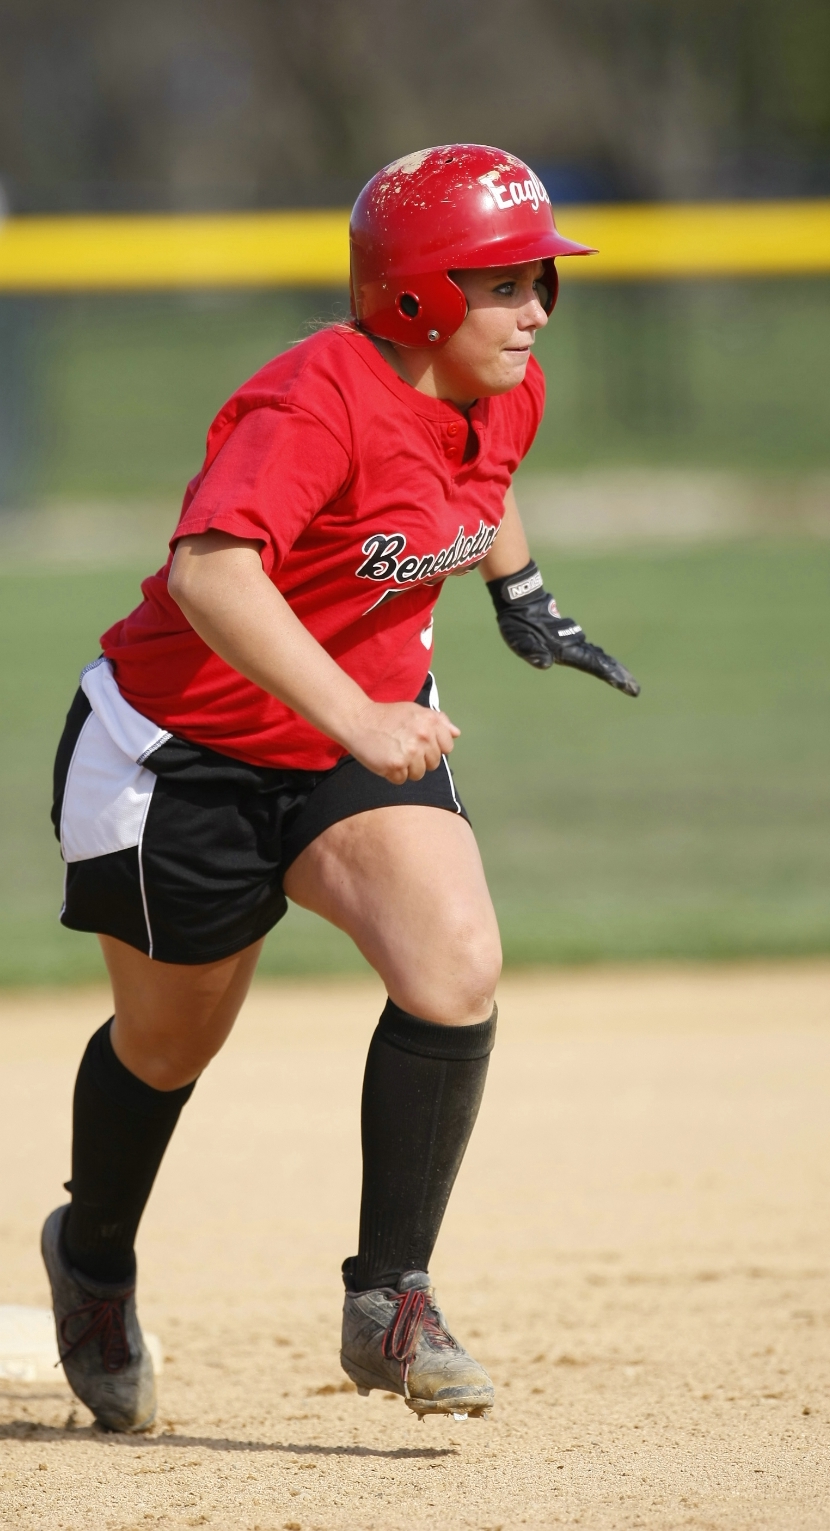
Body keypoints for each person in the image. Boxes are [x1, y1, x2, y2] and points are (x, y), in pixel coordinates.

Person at [42, 144, 639, 1434]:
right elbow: (211, 573)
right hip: (178, 756)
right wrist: (360, 714)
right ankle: (92, 1263)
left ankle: (391, 1300)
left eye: (546, 279)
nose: (537, 308)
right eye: (506, 283)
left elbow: (482, 483)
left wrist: (518, 596)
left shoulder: (502, 390)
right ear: (419, 297)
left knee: (454, 960)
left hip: (346, 751)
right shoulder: (310, 401)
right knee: (169, 1044)